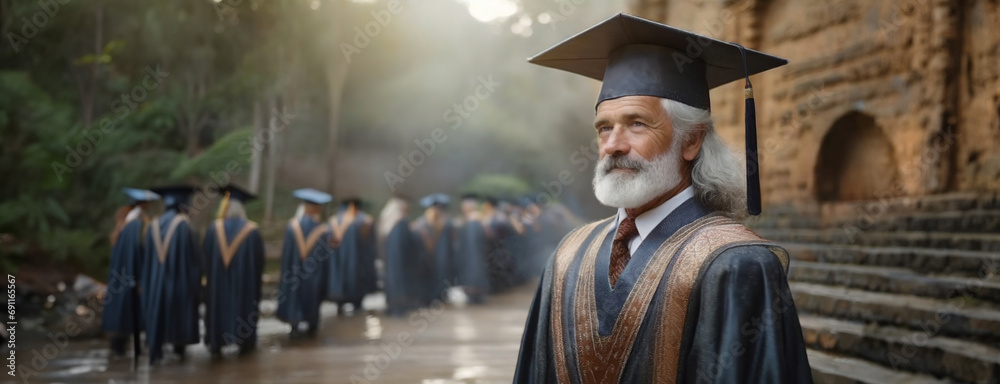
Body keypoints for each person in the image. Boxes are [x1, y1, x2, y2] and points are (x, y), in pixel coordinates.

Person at [514, 14, 812, 383]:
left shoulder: (737, 264)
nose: (613, 146)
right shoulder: (567, 255)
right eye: (604, 128)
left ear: (691, 140)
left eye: (637, 123)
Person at [202, 185, 265, 358]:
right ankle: (244, 343)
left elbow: (205, 258)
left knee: (217, 305)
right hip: (243, 285)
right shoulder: (252, 232)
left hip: (218, 283)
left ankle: (216, 344)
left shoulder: (214, 229)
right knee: (243, 306)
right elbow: (259, 263)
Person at [142, 185, 201, 364]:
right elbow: (193, 259)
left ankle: (155, 351)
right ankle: (179, 349)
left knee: (157, 311)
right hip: (178, 282)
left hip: (154, 284)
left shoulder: (152, 226)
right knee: (178, 314)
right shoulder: (183, 225)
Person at [102, 188, 159, 359]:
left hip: (119, 274)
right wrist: (141, 279)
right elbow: (136, 252)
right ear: (144, 204)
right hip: (131, 274)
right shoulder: (137, 223)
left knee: (121, 309)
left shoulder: (124, 222)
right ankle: (125, 350)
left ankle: (118, 349)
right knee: (129, 309)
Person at [276, 188, 334, 337]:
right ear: (314, 208)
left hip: (293, 271)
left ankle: (294, 324)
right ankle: (311, 324)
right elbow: (325, 255)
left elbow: (287, 253)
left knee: (295, 294)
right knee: (312, 296)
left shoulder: (292, 226)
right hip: (313, 272)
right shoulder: (321, 229)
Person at [325, 197, 376, 314]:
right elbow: (368, 246)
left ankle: (339, 305)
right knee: (356, 299)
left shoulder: (333, 221)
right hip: (355, 264)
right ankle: (356, 307)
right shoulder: (362, 221)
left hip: (337, 266)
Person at [410, 193, 455, 306]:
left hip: (442, 258)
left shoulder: (446, 223)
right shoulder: (421, 223)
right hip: (426, 259)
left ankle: (439, 296)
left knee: (442, 277)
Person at [377, 196, 415, 316]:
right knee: (398, 285)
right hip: (399, 263)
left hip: (390, 263)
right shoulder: (400, 222)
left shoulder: (388, 224)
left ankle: (393, 307)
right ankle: (398, 309)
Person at [453, 194, 490, 304]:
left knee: (474, 275)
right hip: (470, 256)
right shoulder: (468, 219)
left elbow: (473, 242)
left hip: (474, 256)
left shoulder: (474, 219)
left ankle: (475, 295)